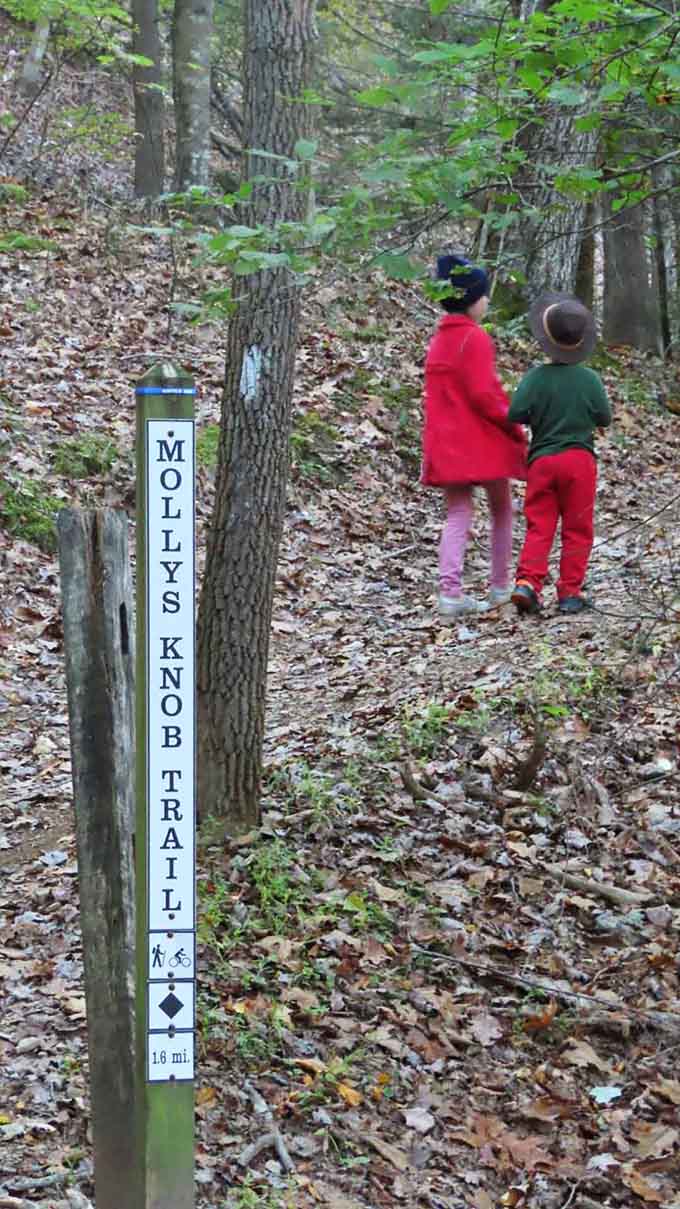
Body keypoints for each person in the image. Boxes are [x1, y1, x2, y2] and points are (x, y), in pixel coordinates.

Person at [422, 253, 527, 619]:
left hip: (447, 444)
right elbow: (486, 394)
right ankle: (500, 587)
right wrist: (513, 424)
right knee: (501, 508)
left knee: (458, 511)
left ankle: (450, 592)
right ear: (471, 298)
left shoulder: (439, 342)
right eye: (484, 295)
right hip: (483, 443)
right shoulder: (475, 340)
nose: (487, 302)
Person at [509, 292, 612, 616]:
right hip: (579, 462)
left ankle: (527, 583)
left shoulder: (535, 378)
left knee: (540, 526)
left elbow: (515, 413)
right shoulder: (590, 380)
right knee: (577, 527)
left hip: (542, 461)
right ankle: (570, 592)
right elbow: (604, 417)